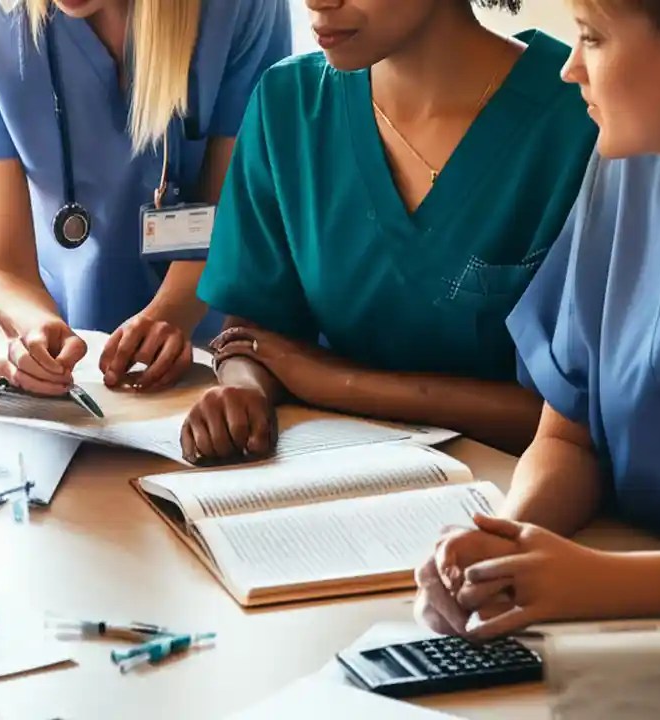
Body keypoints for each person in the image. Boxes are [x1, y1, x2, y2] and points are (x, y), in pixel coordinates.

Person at [415, 0, 660, 641]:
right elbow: (570, 438)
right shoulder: (628, 170)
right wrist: (508, 539)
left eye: (592, 38)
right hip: (623, 642)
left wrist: (605, 583)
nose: (570, 68)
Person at [182, 0, 599, 464]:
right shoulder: (288, 104)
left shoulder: (587, 118)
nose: (317, 3)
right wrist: (243, 392)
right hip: (336, 479)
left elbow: (580, 416)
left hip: (518, 492)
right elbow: (258, 332)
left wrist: (337, 383)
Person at [0, 0, 291, 397]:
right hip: (66, 375)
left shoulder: (240, 8)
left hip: (215, 359)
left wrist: (171, 314)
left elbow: (234, 217)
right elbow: (2, 267)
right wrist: (35, 331)